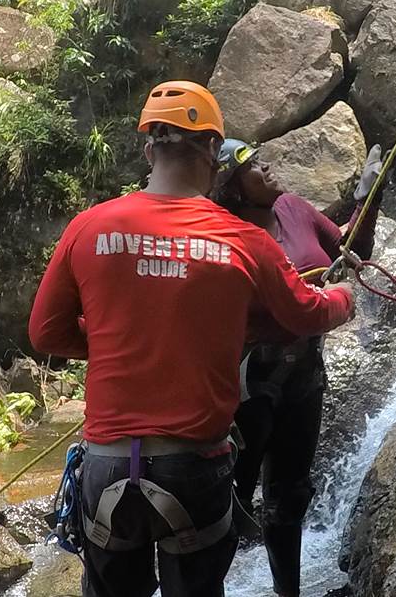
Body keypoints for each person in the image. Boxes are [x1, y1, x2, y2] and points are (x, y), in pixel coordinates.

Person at [28, 81, 355, 597]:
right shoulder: (244, 240)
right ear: (211, 150)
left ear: (148, 149)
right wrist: (343, 297)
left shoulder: (89, 228)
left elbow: (46, 331)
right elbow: (305, 315)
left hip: (108, 461)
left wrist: (126, 337)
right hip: (193, 465)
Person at [209, 139, 391, 596]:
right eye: (253, 165)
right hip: (248, 387)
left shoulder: (292, 208)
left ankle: (287, 593)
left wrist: (368, 197)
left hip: (304, 377)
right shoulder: (223, 237)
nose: (267, 167)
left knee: (289, 497)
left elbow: (352, 248)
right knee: (229, 505)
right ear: (231, 187)